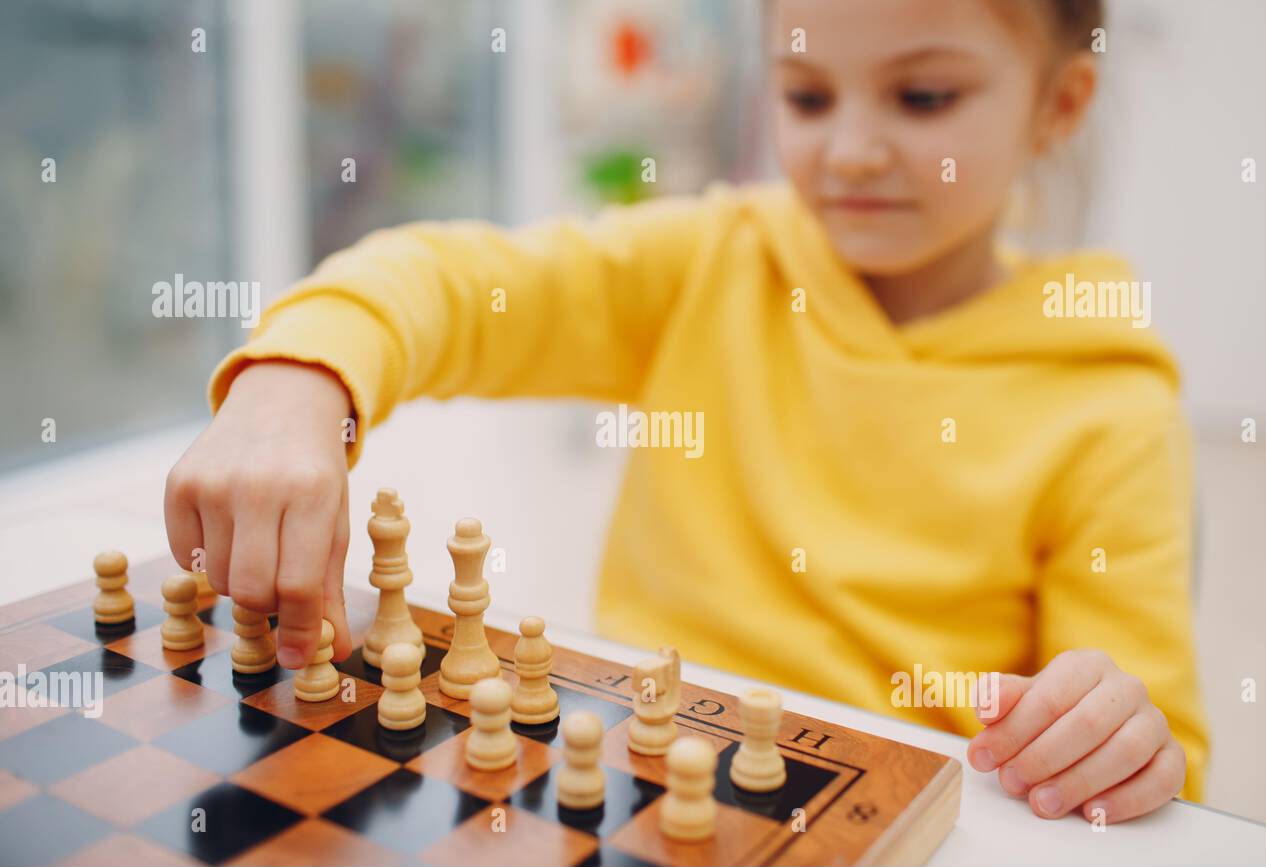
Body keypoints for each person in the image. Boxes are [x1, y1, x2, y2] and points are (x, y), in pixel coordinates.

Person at [165, 0, 1208, 822]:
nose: (847, 149)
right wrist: (300, 377)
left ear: (1058, 104)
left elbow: (1157, 757)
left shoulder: (1108, 404)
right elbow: (455, 282)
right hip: (634, 790)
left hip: (913, 827)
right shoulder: (710, 262)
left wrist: (1116, 735)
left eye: (922, 97)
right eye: (804, 96)